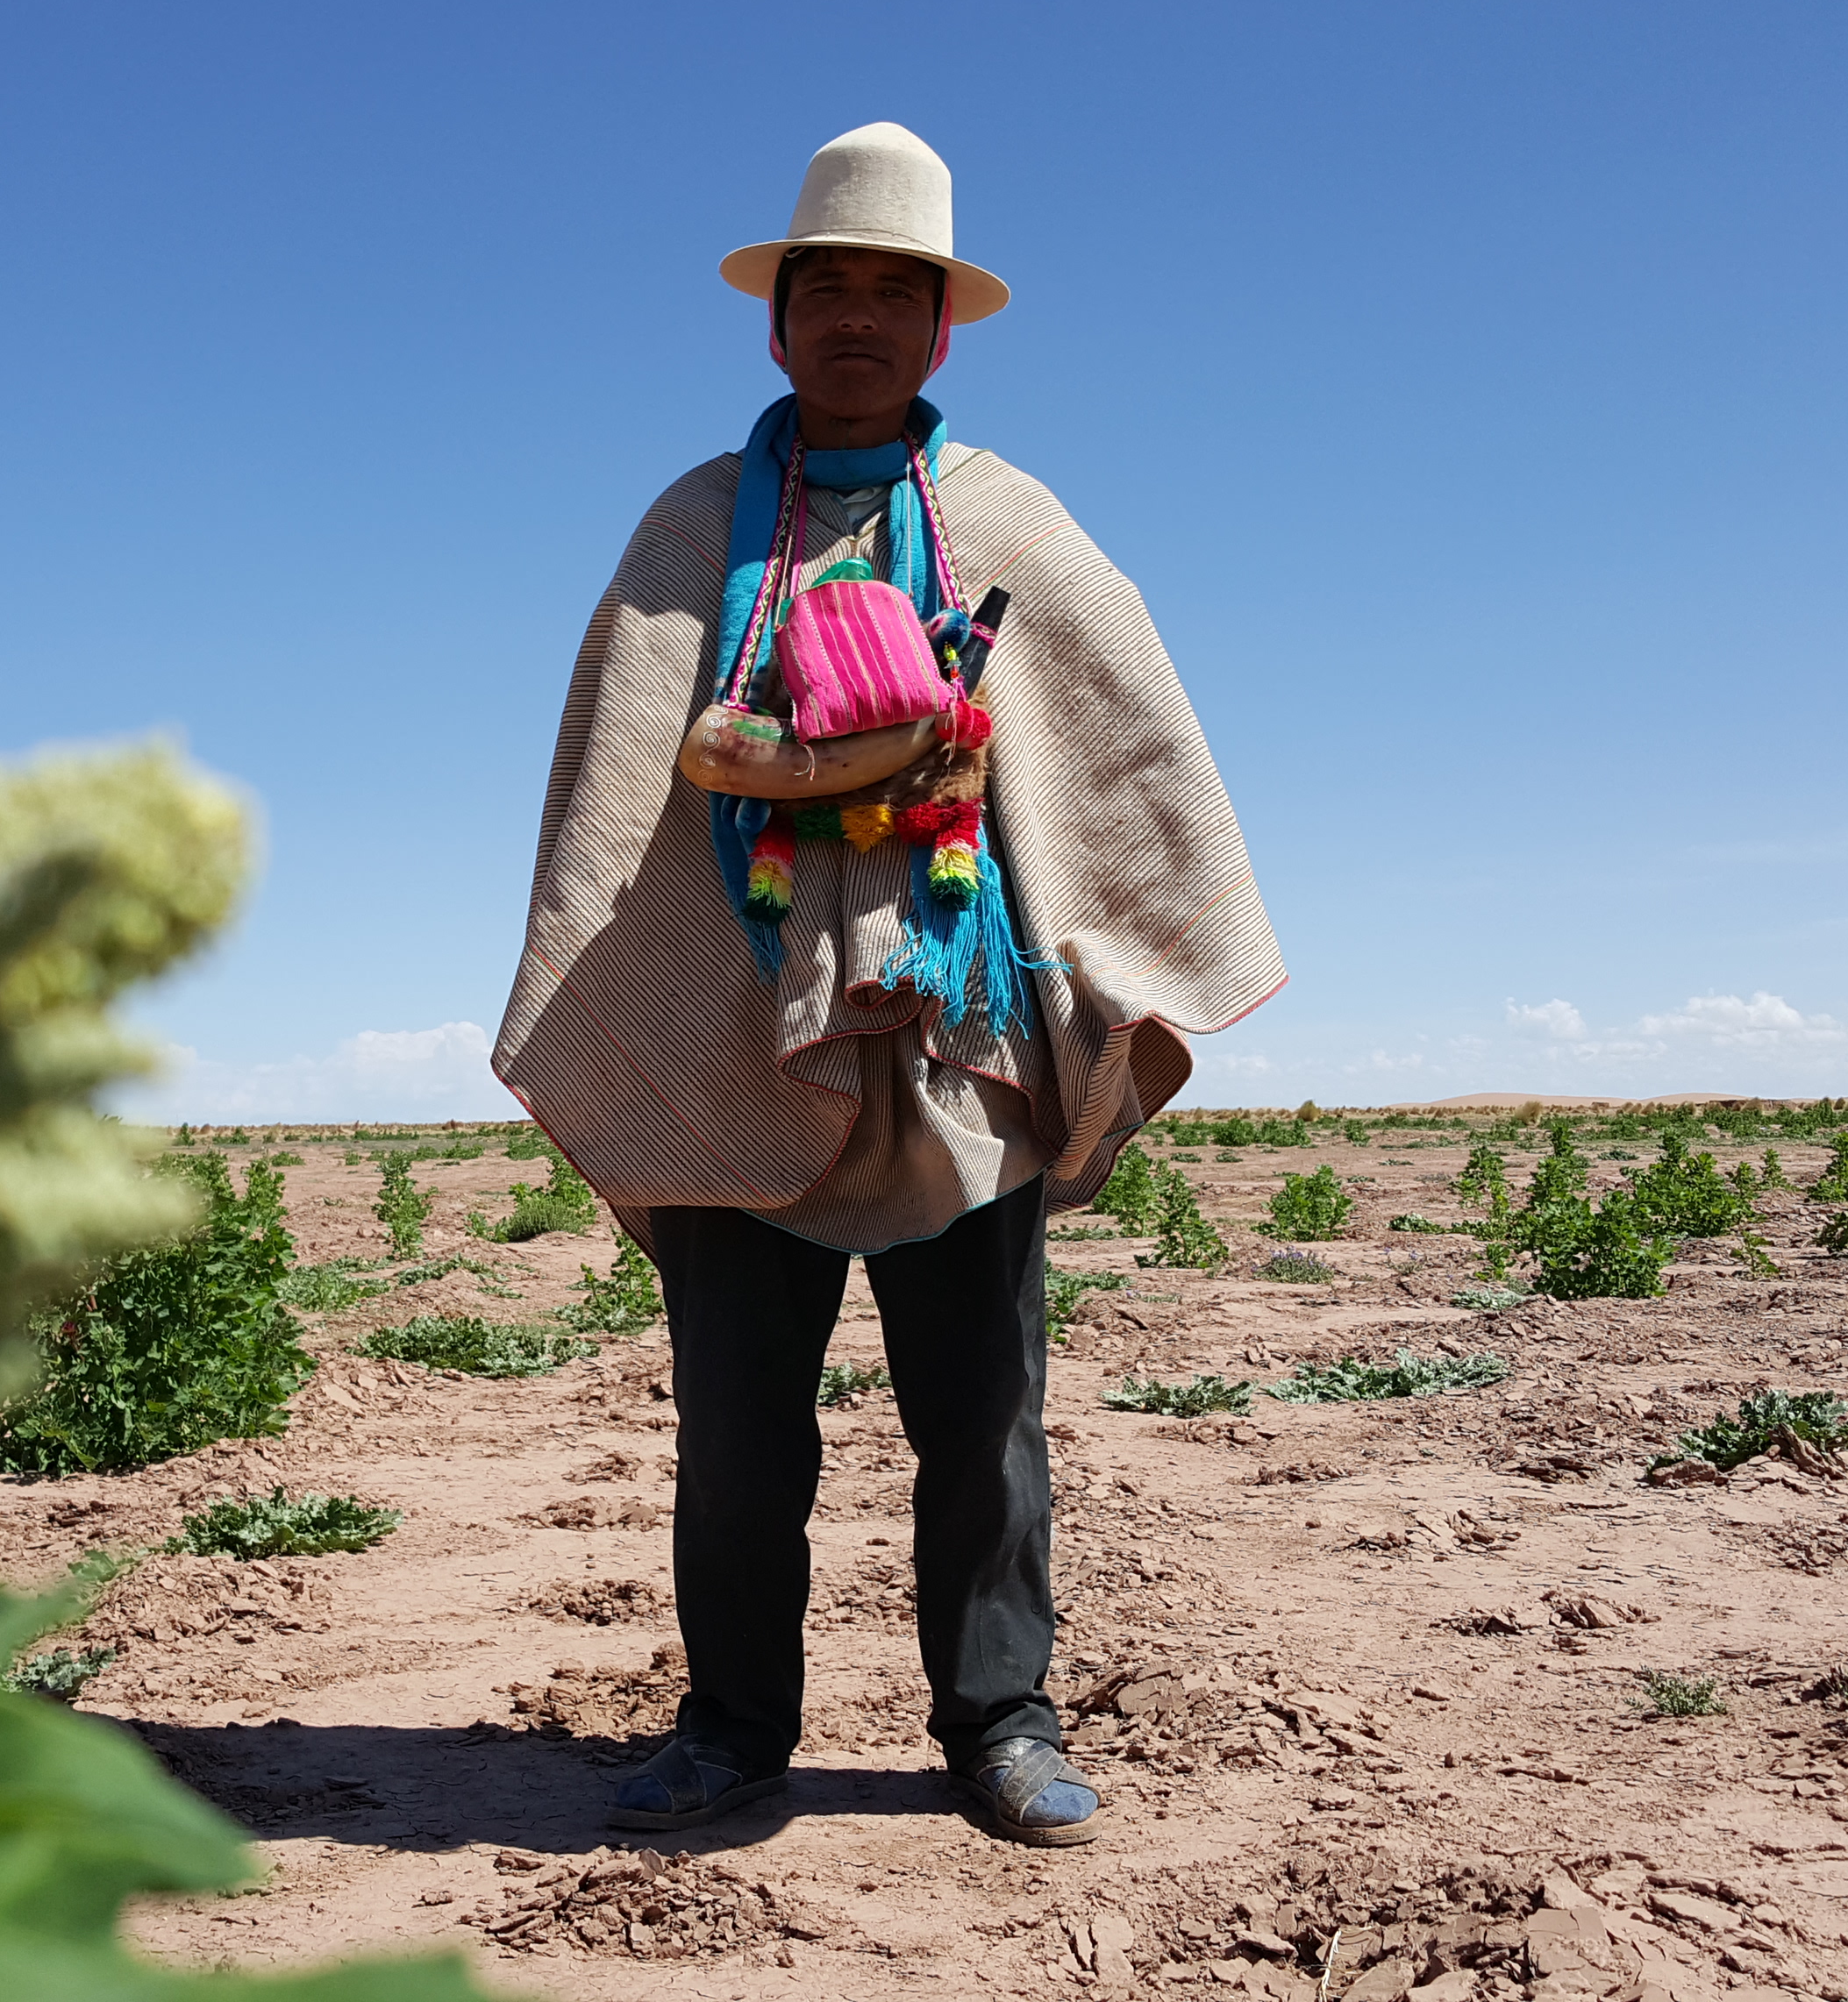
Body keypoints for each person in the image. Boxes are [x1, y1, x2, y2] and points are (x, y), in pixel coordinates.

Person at [491, 123, 1282, 1847]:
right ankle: (727, 1731)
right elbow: (620, 782)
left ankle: (999, 1721)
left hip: (959, 1034)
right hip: (731, 1029)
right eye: (823, 287)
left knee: (984, 1423)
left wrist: (1058, 915)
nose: (855, 318)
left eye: (892, 293)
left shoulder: (1007, 520)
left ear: (943, 330)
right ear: (775, 326)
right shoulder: (695, 527)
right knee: (740, 1433)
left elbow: (1122, 757)